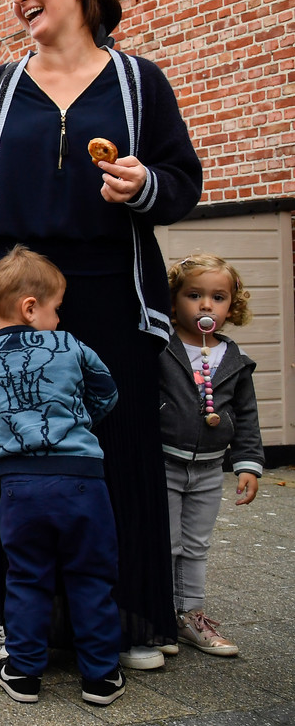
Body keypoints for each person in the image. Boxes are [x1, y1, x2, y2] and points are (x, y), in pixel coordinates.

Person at [0, 0, 203, 669]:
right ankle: (17, 615)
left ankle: (124, 620)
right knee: (11, 455)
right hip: (10, 287)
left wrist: (144, 183)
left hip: (112, 289)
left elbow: (183, 181)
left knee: (115, 452)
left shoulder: (139, 81)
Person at [0, 247, 126, 707]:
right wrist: (79, 421)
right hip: (83, 480)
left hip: (18, 484)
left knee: (26, 576)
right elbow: (107, 390)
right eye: (56, 308)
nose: (58, 317)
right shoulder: (70, 345)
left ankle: (25, 672)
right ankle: (101, 676)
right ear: (31, 307)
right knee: (91, 575)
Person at [159, 253, 263, 656]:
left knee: (196, 544)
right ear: (173, 302)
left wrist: (248, 464)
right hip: (164, 462)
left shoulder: (234, 360)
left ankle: (191, 615)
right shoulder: (162, 348)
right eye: (194, 295)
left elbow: (247, 417)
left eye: (218, 297)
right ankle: (162, 615)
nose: (206, 305)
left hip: (208, 470)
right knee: (167, 542)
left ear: (231, 306)